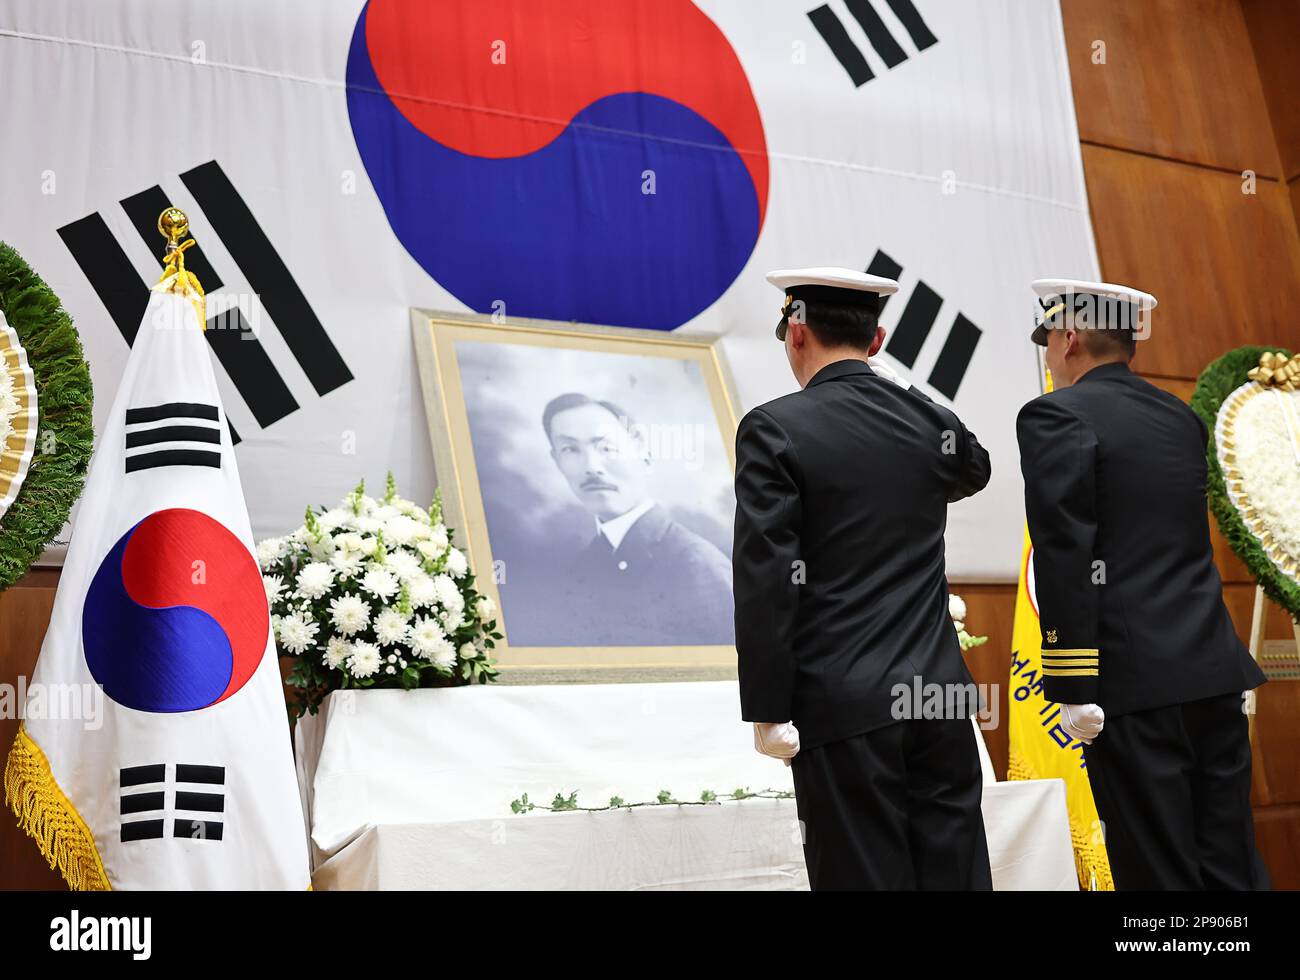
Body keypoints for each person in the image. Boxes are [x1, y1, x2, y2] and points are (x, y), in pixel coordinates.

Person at [733, 267, 993, 890]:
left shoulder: (774, 427)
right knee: (955, 878)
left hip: (844, 706)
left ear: (796, 332)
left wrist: (767, 708)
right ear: (877, 343)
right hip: (939, 699)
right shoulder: (927, 426)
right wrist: (903, 392)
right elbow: (975, 467)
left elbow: (766, 574)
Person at [1017, 279, 1269, 890]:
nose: (1049, 356)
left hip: (1131, 687)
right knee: (1229, 860)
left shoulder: (1055, 413)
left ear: (1068, 336)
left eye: (1049, 340)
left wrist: (1072, 683)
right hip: (1210, 670)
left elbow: (1064, 551)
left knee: (1157, 870)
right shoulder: (1178, 418)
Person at [543, 392, 733, 646]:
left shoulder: (697, 565)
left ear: (642, 450)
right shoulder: (582, 566)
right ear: (556, 460)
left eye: (605, 447)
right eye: (570, 449)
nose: (592, 466)